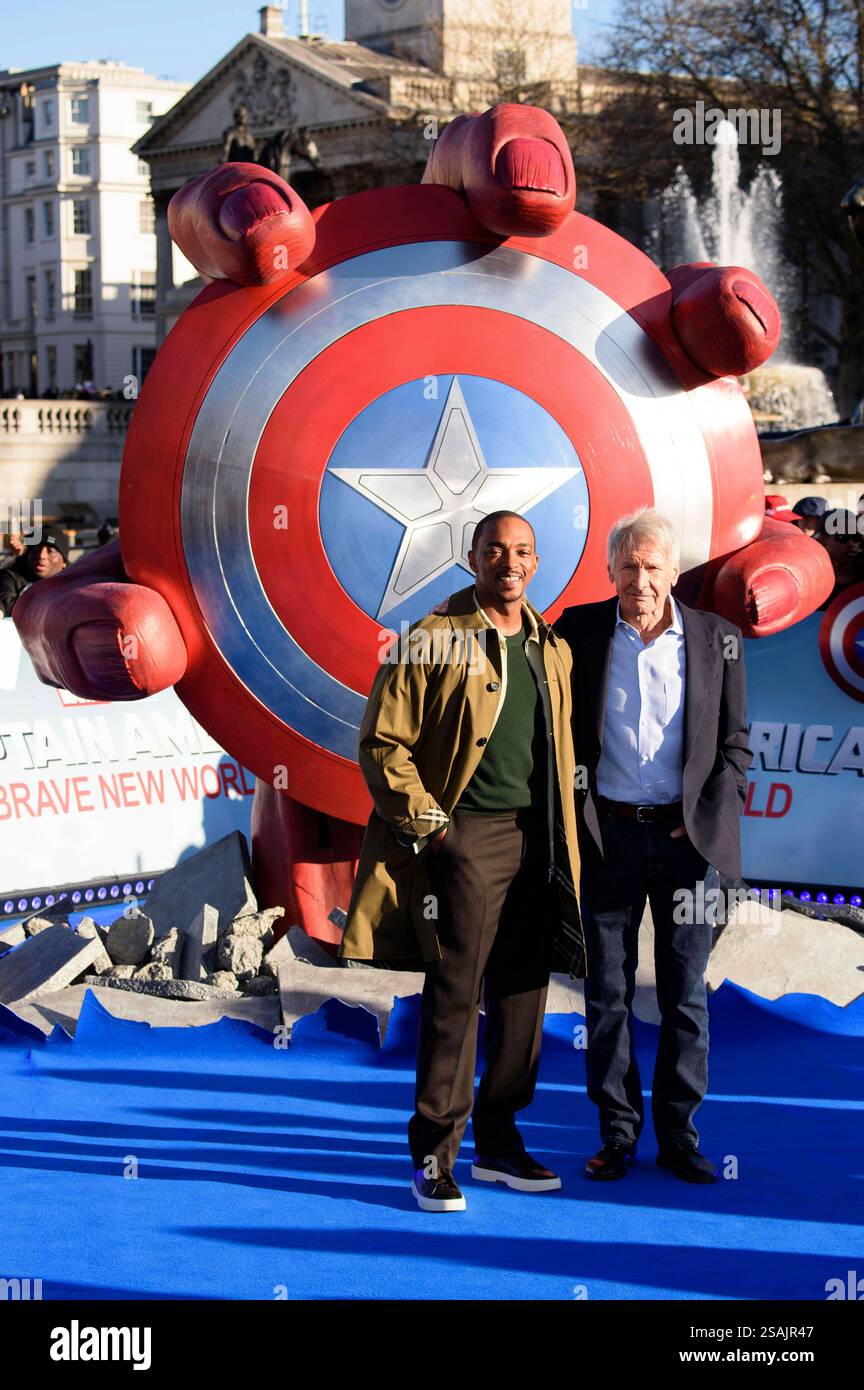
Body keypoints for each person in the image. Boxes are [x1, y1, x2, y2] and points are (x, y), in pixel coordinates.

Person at [340, 510, 585, 1212]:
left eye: (522, 552)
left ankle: (501, 1142)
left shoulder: (551, 648)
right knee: (456, 996)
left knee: (522, 996)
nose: (509, 562)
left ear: (536, 562)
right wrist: (436, 829)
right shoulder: (430, 638)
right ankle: (434, 1155)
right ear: (472, 557)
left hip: (538, 839)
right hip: (467, 838)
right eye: (495, 550)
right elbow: (383, 744)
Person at [554, 508, 752, 1186]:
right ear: (611, 570)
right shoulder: (575, 633)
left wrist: (701, 817)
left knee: (684, 995)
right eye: (629, 566)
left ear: (674, 571)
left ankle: (680, 1139)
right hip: (606, 837)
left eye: (653, 566)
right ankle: (616, 1136)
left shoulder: (718, 640)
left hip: (686, 845)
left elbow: (734, 747)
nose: (640, 579)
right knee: (605, 995)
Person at [0, 528, 70, 617]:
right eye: (36, 548)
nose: (42, 555)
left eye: (50, 551)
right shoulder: (11, 576)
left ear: (64, 562)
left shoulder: (76, 583)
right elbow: (8, 606)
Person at [815, 508, 864, 604]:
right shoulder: (811, 577)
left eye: (856, 537)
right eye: (842, 537)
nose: (852, 544)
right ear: (824, 539)